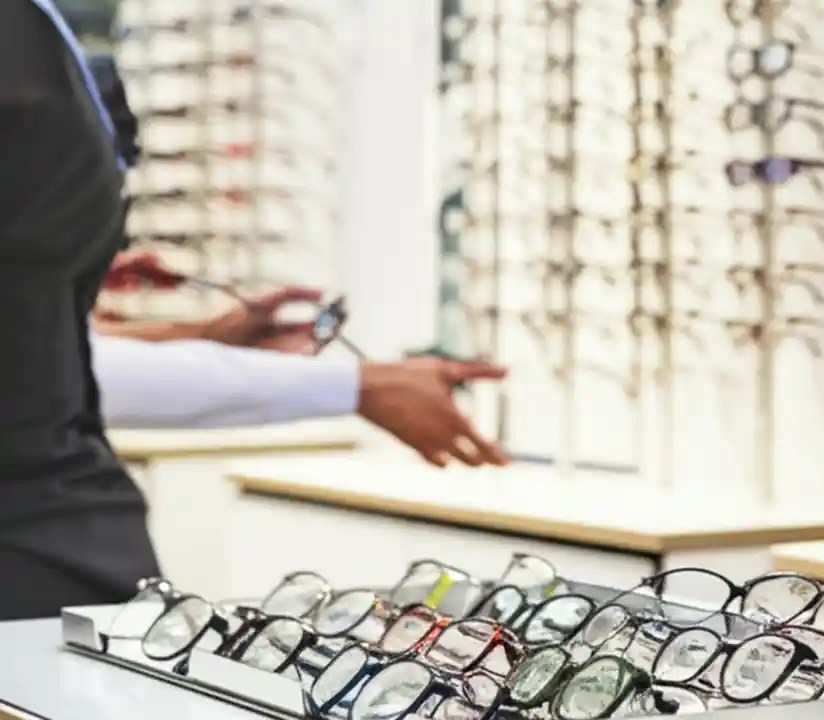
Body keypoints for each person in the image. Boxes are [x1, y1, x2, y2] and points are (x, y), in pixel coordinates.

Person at [0, 0, 507, 621]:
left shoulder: (33, 37)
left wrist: (192, 337)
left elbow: (45, 354)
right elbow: (32, 377)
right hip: (36, 570)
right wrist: (352, 384)